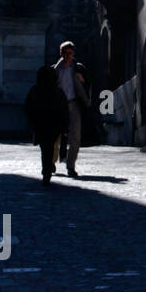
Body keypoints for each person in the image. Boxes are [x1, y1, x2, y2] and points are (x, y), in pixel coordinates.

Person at [51, 40, 91, 178]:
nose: (68, 56)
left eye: (71, 53)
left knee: (75, 137)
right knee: (55, 136)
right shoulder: (54, 70)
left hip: (74, 104)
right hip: (58, 106)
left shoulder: (79, 69)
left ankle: (71, 166)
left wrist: (83, 81)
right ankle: (51, 162)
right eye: (65, 53)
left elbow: (88, 85)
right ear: (60, 53)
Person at [24, 66, 69, 186]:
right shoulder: (58, 92)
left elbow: (28, 106)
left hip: (40, 123)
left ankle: (46, 168)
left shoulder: (35, 90)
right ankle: (47, 168)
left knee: (45, 148)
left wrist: (32, 121)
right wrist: (64, 126)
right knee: (50, 147)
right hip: (54, 124)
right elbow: (64, 109)